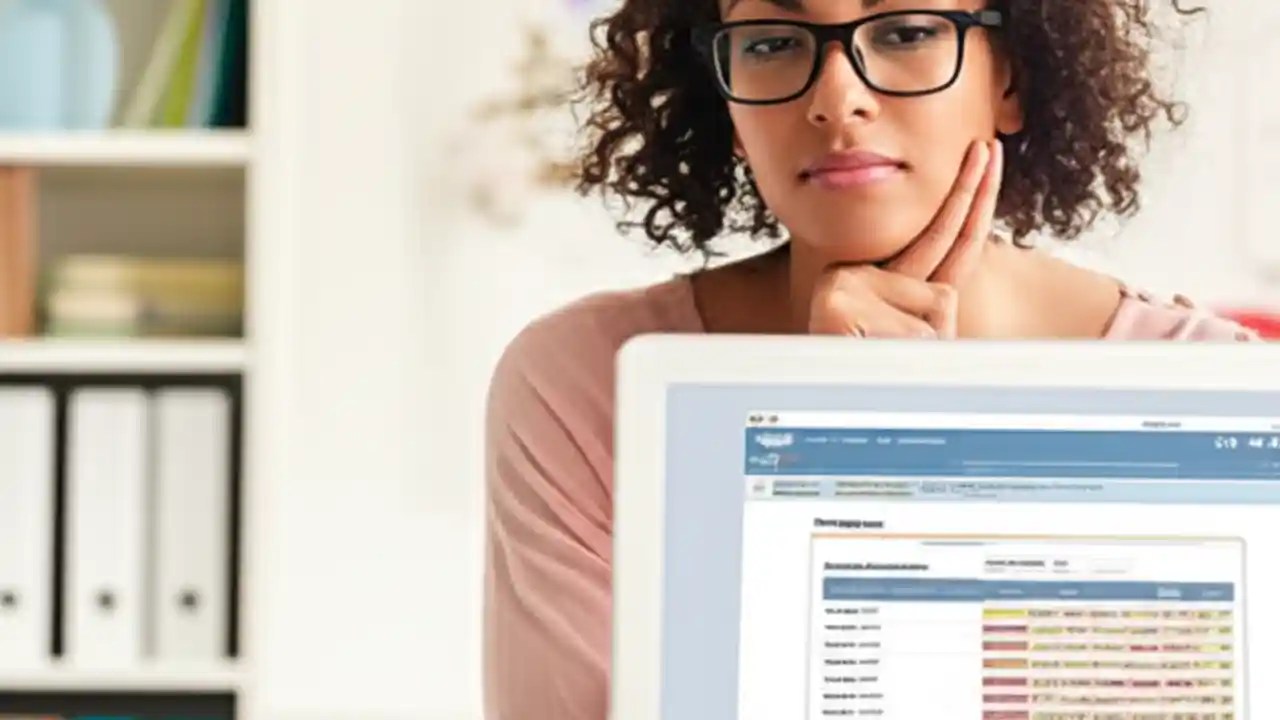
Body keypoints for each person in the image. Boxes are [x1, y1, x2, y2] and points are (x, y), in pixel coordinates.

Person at [482, 0, 1257, 717]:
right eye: (773, 43)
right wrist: (813, 437)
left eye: (906, 32)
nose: (835, 97)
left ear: (1010, 76)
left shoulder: (1228, 388)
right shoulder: (584, 383)